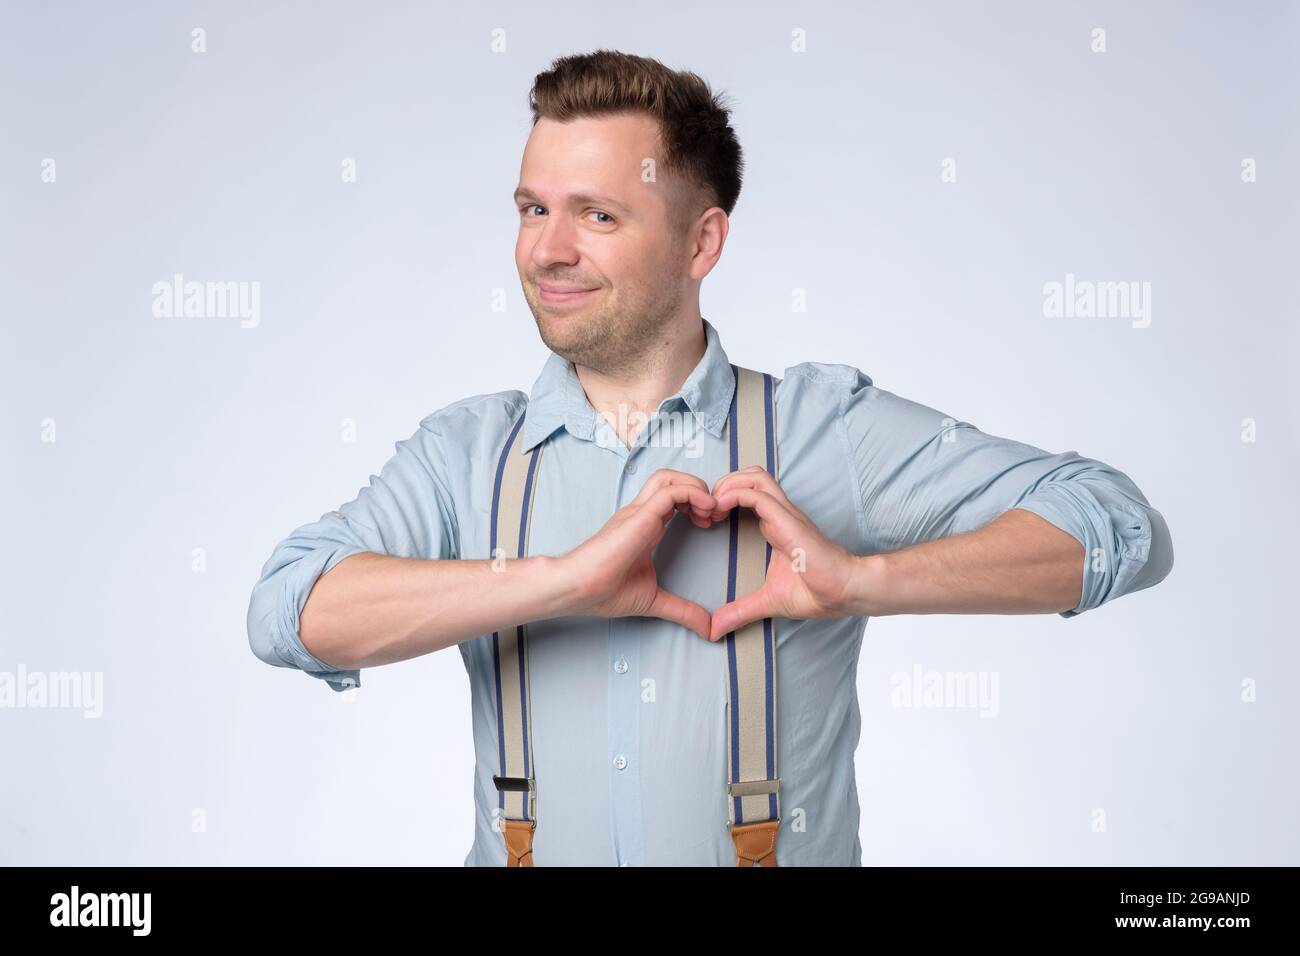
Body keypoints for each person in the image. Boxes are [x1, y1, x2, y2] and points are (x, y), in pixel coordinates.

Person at [246, 49, 1173, 866]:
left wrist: (860, 580)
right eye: (533, 208)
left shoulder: (822, 429)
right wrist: (564, 579)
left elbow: (1120, 526)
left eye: (597, 215)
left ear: (703, 241)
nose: (548, 250)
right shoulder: (470, 453)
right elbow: (289, 609)